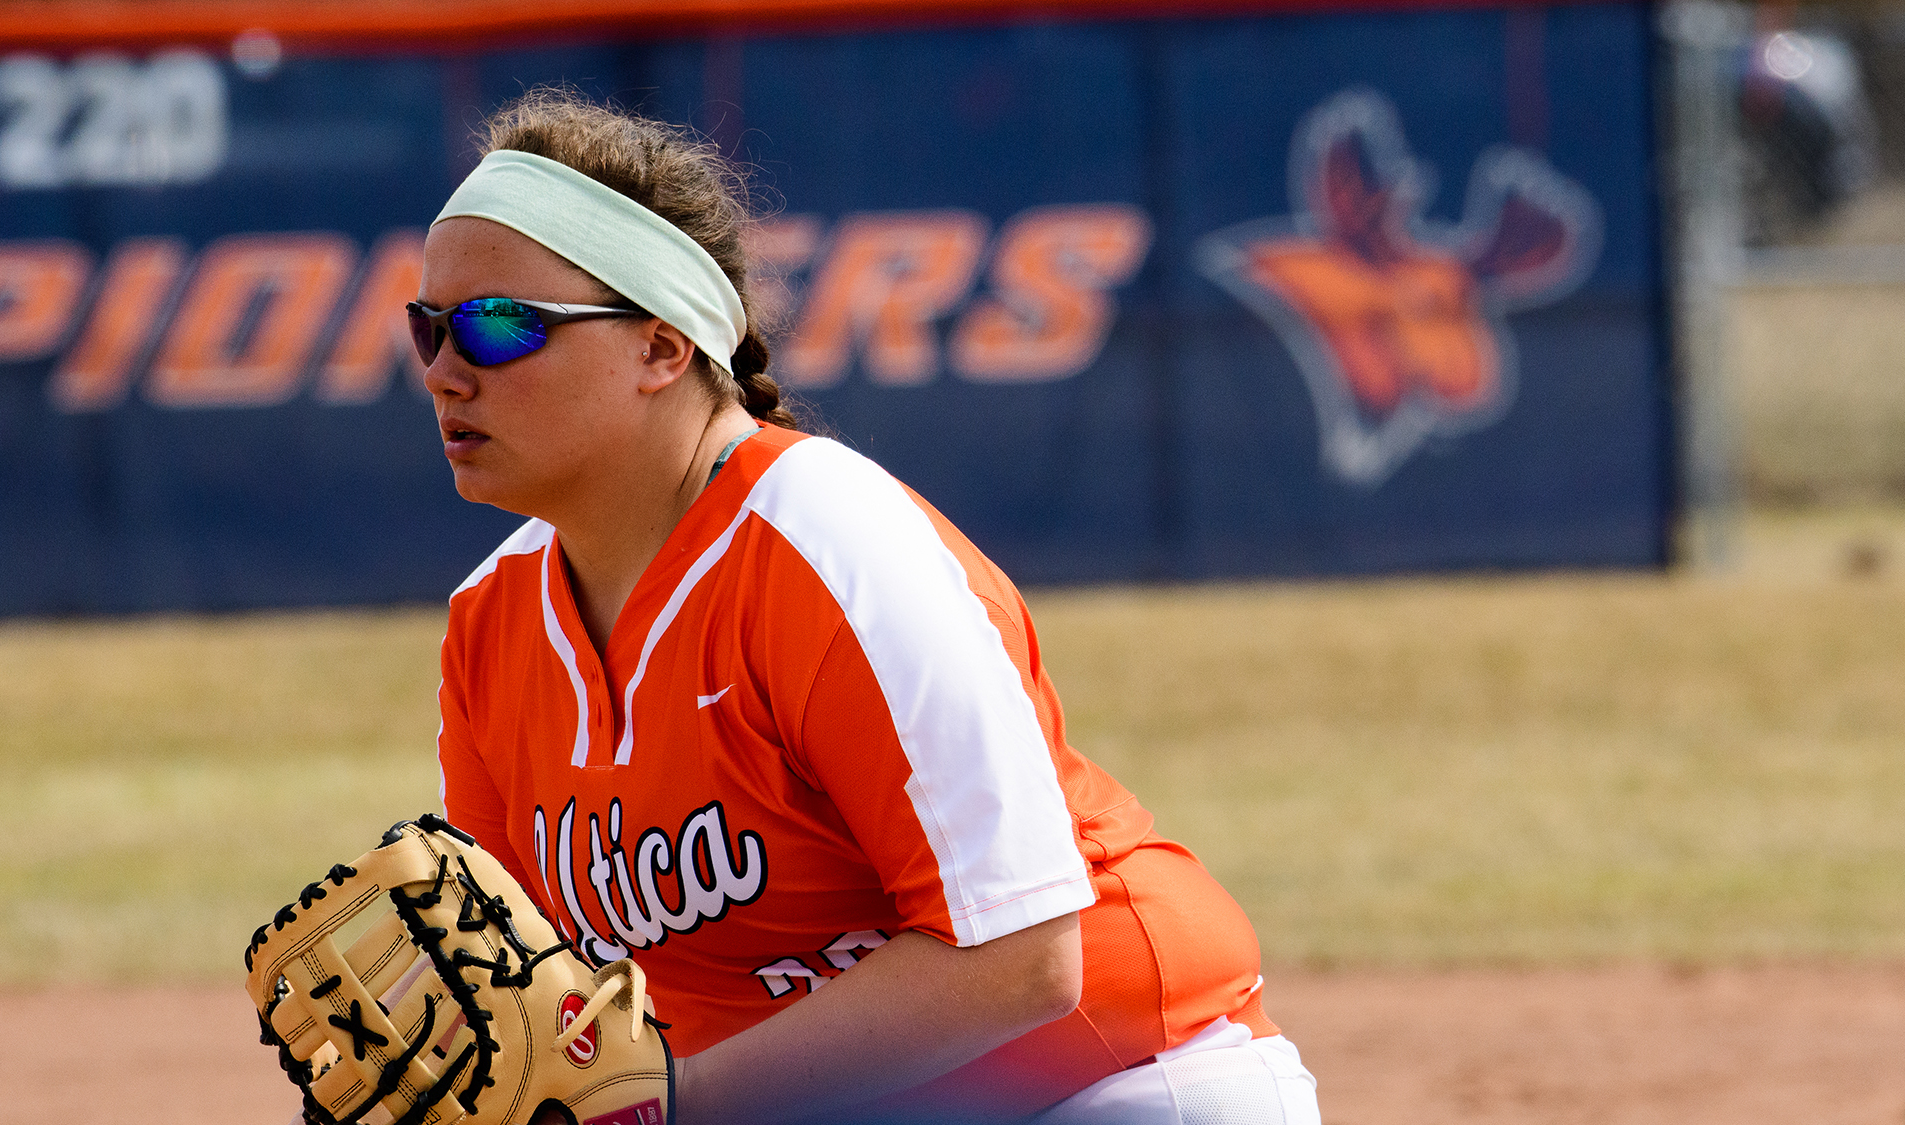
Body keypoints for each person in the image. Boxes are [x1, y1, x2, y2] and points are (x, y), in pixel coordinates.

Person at [419, 87, 1321, 1125]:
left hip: (1108, 1080)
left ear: (663, 349)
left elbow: (1021, 957)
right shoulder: (491, 622)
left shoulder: (819, 541)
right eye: (428, 328)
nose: (446, 372)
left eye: (496, 327)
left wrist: (673, 1104)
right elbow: (540, 996)